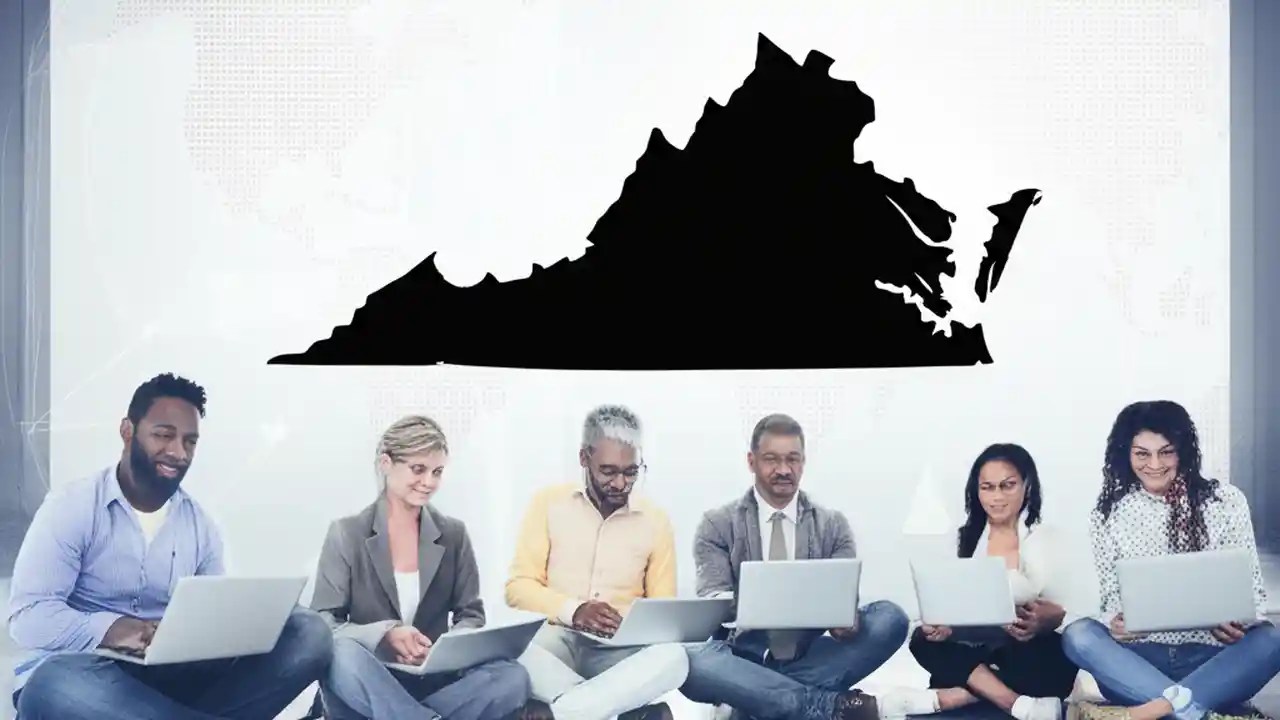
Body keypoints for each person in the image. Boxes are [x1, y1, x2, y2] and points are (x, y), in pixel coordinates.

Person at [7, 372, 334, 720]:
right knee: (52, 684)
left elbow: (211, 622)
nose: (178, 453)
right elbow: (28, 619)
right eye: (163, 435)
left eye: (189, 441)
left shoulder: (201, 526)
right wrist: (113, 628)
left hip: (169, 681)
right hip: (87, 675)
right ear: (127, 430)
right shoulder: (71, 507)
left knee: (308, 630)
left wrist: (230, 631)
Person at [679, 413, 912, 720]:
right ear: (752, 461)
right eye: (771, 460)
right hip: (743, 657)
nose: (784, 470)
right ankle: (825, 705)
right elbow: (714, 605)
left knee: (890, 618)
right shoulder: (718, 524)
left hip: (807, 655)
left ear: (803, 461)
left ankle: (757, 700)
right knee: (691, 660)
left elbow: (844, 602)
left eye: (793, 459)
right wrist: (750, 609)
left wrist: (846, 620)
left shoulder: (832, 525)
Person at [1061, 400, 1280, 720]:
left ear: (1184, 451)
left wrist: (1239, 622)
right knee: (1078, 635)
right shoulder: (1108, 513)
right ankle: (1196, 713)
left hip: (1212, 659)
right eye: (1142, 454)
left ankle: (1155, 710)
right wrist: (1117, 625)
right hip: (1139, 661)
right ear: (1126, 454)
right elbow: (1111, 600)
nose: (1155, 464)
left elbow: (1253, 593)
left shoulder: (1227, 501)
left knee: (1271, 639)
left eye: (1166, 452)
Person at [307, 414, 533, 720]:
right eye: (418, 469)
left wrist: (447, 648)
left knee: (512, 676)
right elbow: (322, 627)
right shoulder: (347, 533)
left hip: (435, 682)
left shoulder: (453, 534)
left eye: (437, 472)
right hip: (370, 681)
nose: (429, 482)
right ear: (386, 463)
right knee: (341, 655)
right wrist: (386, 634)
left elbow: (471, 614)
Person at [505, 404, 689, 720]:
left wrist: (631, 627)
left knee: (675, 659)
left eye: (631, 471)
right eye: (608, 471)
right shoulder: (548, 503)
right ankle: (616, 711)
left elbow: (663, 612)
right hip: (553, 643)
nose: (620, 483)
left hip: (619, 650)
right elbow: (518, 588)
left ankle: (556, 714)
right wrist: (574, 610)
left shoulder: (656, 521)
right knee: (506, 656)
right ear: (584, 458)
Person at [908, 443, 1081, 720]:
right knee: (921, 639)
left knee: (1052, 657)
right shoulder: (962, 540)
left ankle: (958, 695)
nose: (996, 497)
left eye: (1007, 485)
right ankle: (1012, 702)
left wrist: (1050, 619)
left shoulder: (1047, 538)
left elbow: (1071, 614)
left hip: (1024, 646)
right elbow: (946, 599)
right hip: (974, 644)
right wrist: (943, 627)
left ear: (1027, 485)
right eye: (987, 487)